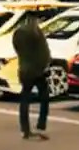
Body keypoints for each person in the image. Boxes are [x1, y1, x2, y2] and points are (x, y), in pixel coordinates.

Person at [12, 11, 52, 140]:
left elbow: (17, 48)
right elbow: (44, 52)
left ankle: (25, 129)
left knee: (25, 99)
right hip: (37, 71)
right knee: (44, 96)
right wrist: (45, 65)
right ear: (34, 19)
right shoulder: (36, 33)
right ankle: (41, 124)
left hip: (24, 69)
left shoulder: (18, 32)